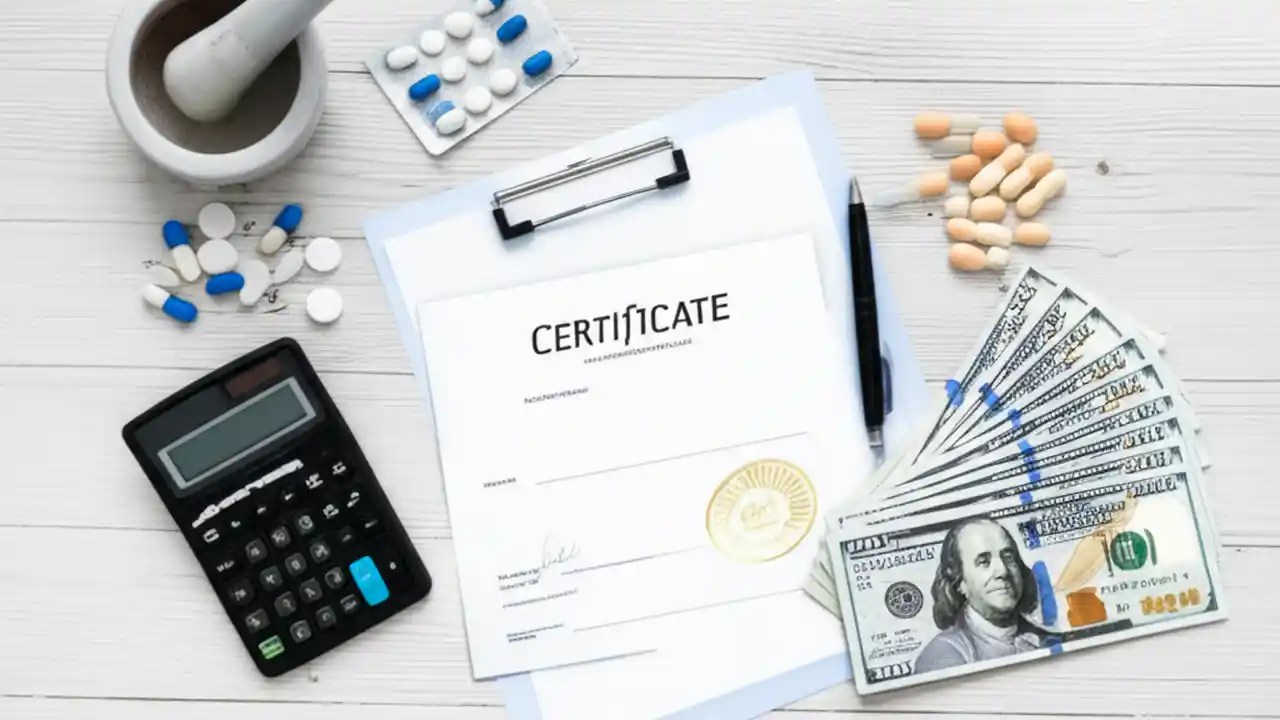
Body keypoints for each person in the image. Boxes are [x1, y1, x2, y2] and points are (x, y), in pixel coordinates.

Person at [914, 518, 1046, 673]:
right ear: (959, 581)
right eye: (984, 562)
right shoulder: (942, 655)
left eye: (1009, 557)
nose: (1003, 571)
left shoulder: (1047, 639)